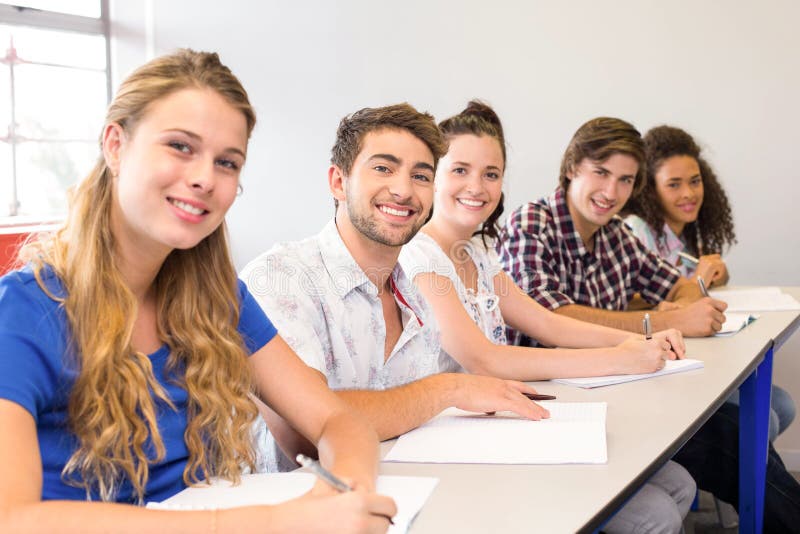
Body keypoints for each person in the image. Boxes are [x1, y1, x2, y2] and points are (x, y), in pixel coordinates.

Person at [0, 49, 396, 533]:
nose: (205, 178)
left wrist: (344, 492)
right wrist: (274, 522)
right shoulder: (23, 310)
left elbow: (339, 422)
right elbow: (11, 517)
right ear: (115, 145)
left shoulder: (217, 298)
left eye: (227, 163)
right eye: (181, 147)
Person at [398, 101, 695, 533]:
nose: (476, 186)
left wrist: (637, 344)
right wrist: (620, 358)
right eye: (460, 170)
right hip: (446, 438)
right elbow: (486, 360)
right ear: (433, 173)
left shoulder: (476, 251)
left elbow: (546, 322)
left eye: (491, 174)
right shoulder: (419, 255)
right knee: (657, 513)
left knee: (679, 484)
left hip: (493, 419)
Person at [497, 117, 800, 530]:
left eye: (625, 180)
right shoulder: (531, 224)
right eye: (600, 173)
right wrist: (658, 320)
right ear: (571, 167)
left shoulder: (617, 235)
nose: (611, 192)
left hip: (628, 390)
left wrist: (680, 307)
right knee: (732, 440)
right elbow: (552, 318)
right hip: (559, 400)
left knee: (736, 429)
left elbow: (685, 287)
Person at [241, 103, 550, 473]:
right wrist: (447, 390)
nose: (403, 191)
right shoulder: (280, 278)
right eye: (383, 168)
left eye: (421, 176)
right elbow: (306, 434)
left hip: (406, 495)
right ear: (339, 182)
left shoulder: (417, 298)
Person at [623, 124, 795, 440]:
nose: (688, 193)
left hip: (696, 352)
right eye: (673, 184)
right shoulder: (635, 230)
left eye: (694, 181)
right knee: (765, 418)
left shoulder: (684, 232)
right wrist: (694, 284)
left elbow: (689, 291)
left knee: (782, 405)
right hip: (662, 363)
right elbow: (628, 301)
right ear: (649, 188)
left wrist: (714, 279)